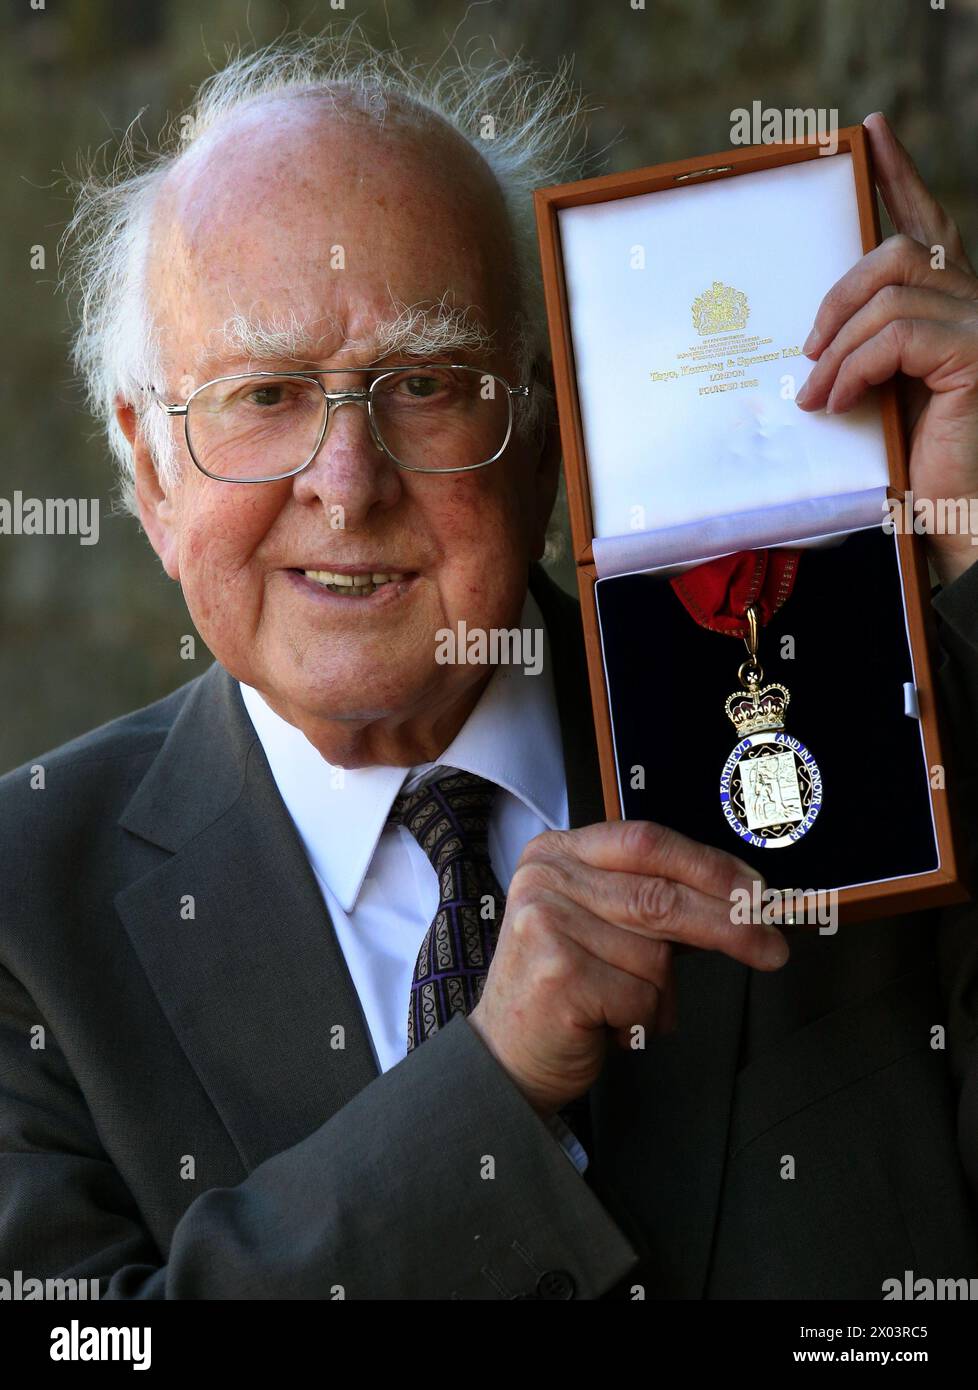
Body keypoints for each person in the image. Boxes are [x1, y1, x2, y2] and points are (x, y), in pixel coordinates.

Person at [2, 31, 978, 1300]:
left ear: (546, 429)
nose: (346, 484)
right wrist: (488, 1086)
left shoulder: (865, 728)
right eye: (265, 395)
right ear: (149, 470)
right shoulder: (23, 908)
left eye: (424, 381)